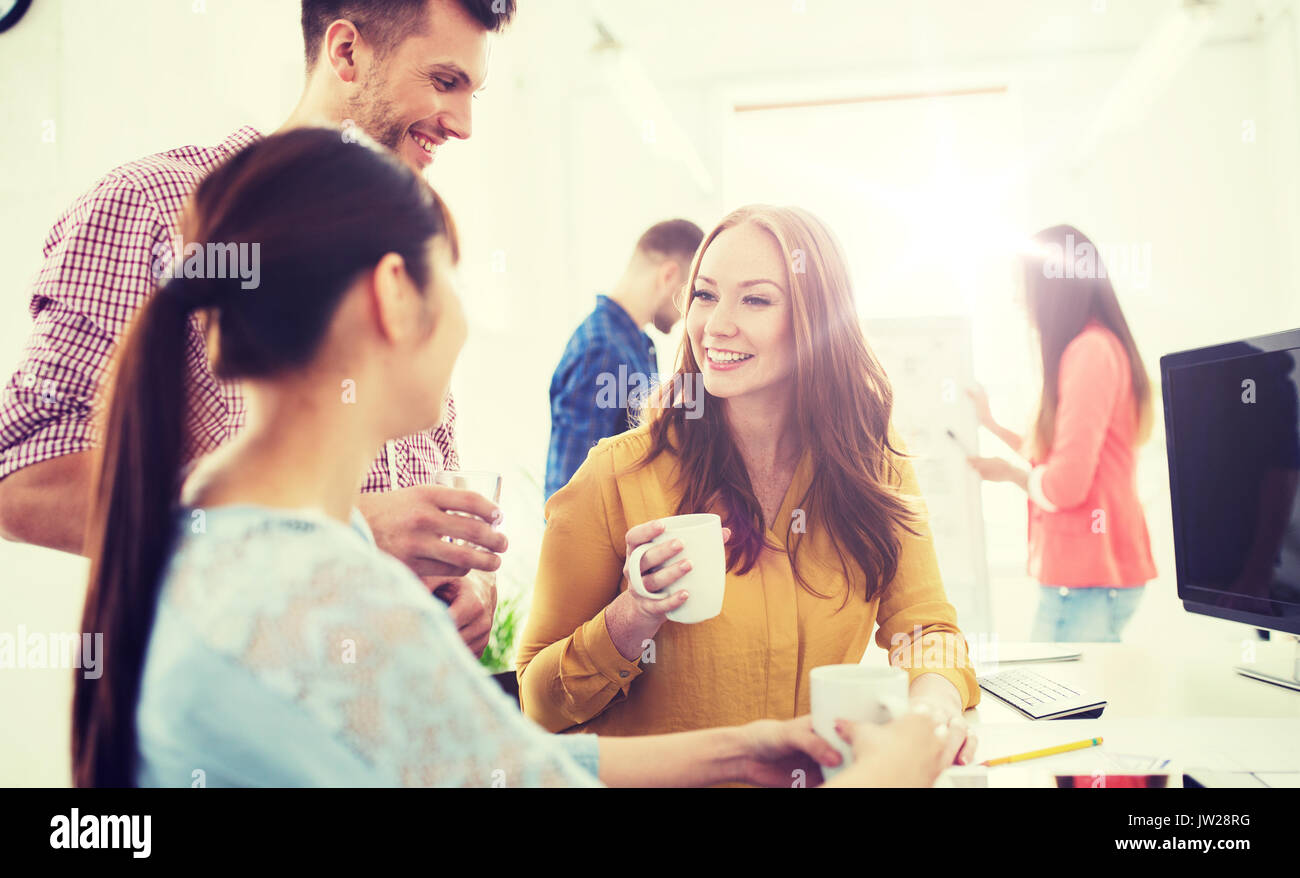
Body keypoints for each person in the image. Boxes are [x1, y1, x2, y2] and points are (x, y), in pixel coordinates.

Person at [73, 129, 963, 788]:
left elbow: (488, 761)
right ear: (394, 295)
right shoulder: (335, 597)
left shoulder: (220, 531)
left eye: (755, 300)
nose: (465, 320)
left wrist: (749, 747)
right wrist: (892, 770)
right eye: (454, 278)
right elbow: (522, 768)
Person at [0, 0, 516, 655]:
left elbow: (435, 478)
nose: (465, 125)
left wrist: (464, 590)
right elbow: (25, 482)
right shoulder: (155, 207)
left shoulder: (408, 248)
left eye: (473, 90)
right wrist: (343, 528)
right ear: (346, 53)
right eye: (445, 82)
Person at [517, 205, 981, 764]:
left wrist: (931, 715)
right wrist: (632, 616)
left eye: (755, 299)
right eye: (705, 295)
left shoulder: (873, 463)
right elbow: (537, 705)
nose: (715, 325)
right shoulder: (618, 474)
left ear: (818, 320)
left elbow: (927, 628)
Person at [966, 224, 1157, 642]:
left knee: (1064, 704)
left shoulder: (1088, 352)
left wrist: (1012, 474)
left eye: (1023, 286)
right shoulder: (1096, 347)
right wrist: (993, 425)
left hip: (1087, 577)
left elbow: (1067, 484)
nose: (1018, 300)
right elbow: (1061, 457)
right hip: (1090, 576)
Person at [545, 219, 704, 499]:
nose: (689, 311)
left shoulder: (637, 344)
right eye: (692, 294)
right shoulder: (603, 349)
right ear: (668, 276)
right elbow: (574, 490)